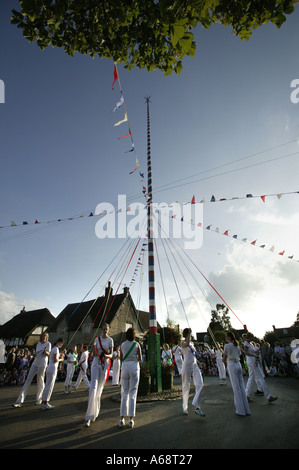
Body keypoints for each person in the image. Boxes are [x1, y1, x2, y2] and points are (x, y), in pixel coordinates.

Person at [84, 323, 113, 427]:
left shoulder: (110, 340)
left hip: (104, 364)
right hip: (96, 363)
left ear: (108, 330)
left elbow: (111, 354)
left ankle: (94, 413)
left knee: (99, 389)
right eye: (104, 329)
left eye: (107, 329)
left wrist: (106, 355)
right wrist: (97, 354)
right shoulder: (97, 339)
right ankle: (88, 417)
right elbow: (93, 352)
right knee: (93, 387)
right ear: (101, 329)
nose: (105, 330)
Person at [13, 332, 51, 408]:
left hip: (43, 363)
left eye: (45, 337)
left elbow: (49, 354)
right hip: (35, 363)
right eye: (43, 336)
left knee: (40, 381)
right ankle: (19, 401)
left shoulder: (48, 344)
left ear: (47, 338)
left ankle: (39, 399)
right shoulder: (38, 344)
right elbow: (36, 354)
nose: (44, 338)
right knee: (28, 380)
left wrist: (45, 351)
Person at [244, 332, 278, 403]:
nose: (253, 339)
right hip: (252, 362)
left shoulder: (250, 344)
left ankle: (246, 395)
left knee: (251, 378)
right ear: (249, 337)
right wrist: (254, 355)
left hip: (253, 362)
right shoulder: (246, 344)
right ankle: (269, 396)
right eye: (252, 337)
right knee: (260, 378)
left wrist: (258, 350)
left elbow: (253, 352)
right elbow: (246, 352)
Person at [222, 332, 250, 416]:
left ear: (229, 337)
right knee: (241, 386)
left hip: (232, 365)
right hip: (238, 365)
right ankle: (246, 409)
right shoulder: (237, 345)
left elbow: (224, 359)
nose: (225, 337)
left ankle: (240, 410)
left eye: (226, 336)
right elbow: (239, 355)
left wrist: (223, 359)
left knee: (236, 387)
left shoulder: (227, 346)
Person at [119, 327, 142, 429]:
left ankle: (121, 419)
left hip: (125, 367)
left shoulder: (122, 345)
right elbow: (140, 358)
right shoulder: (137, 344)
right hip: (134, 367)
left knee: (124, 393)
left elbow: (121, 357)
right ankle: (131, 420)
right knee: (133, 393)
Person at [181, 328, 205, 417]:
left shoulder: (191, 343)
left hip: (194, 365)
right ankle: (185, 407)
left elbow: (193, 355)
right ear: (187, 334)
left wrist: (199, 363)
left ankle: (196, 406)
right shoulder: (183, 342)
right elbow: (186, 344)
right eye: (190, 333)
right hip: (186, 365)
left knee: (200, 384)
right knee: (186, 386)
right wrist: (189, 336)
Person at [41, 338, 64, 410]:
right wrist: (61, 359)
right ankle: (46, 403)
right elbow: (55, 360)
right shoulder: (56, 349)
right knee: (50, 385)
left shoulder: (53, 349)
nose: (61, 345)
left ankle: (43, 402)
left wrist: (59, 357)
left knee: (47, 385)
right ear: (58, 342)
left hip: (50, 367)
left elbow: (53, 357)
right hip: (53, 368)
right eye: (60, 343)